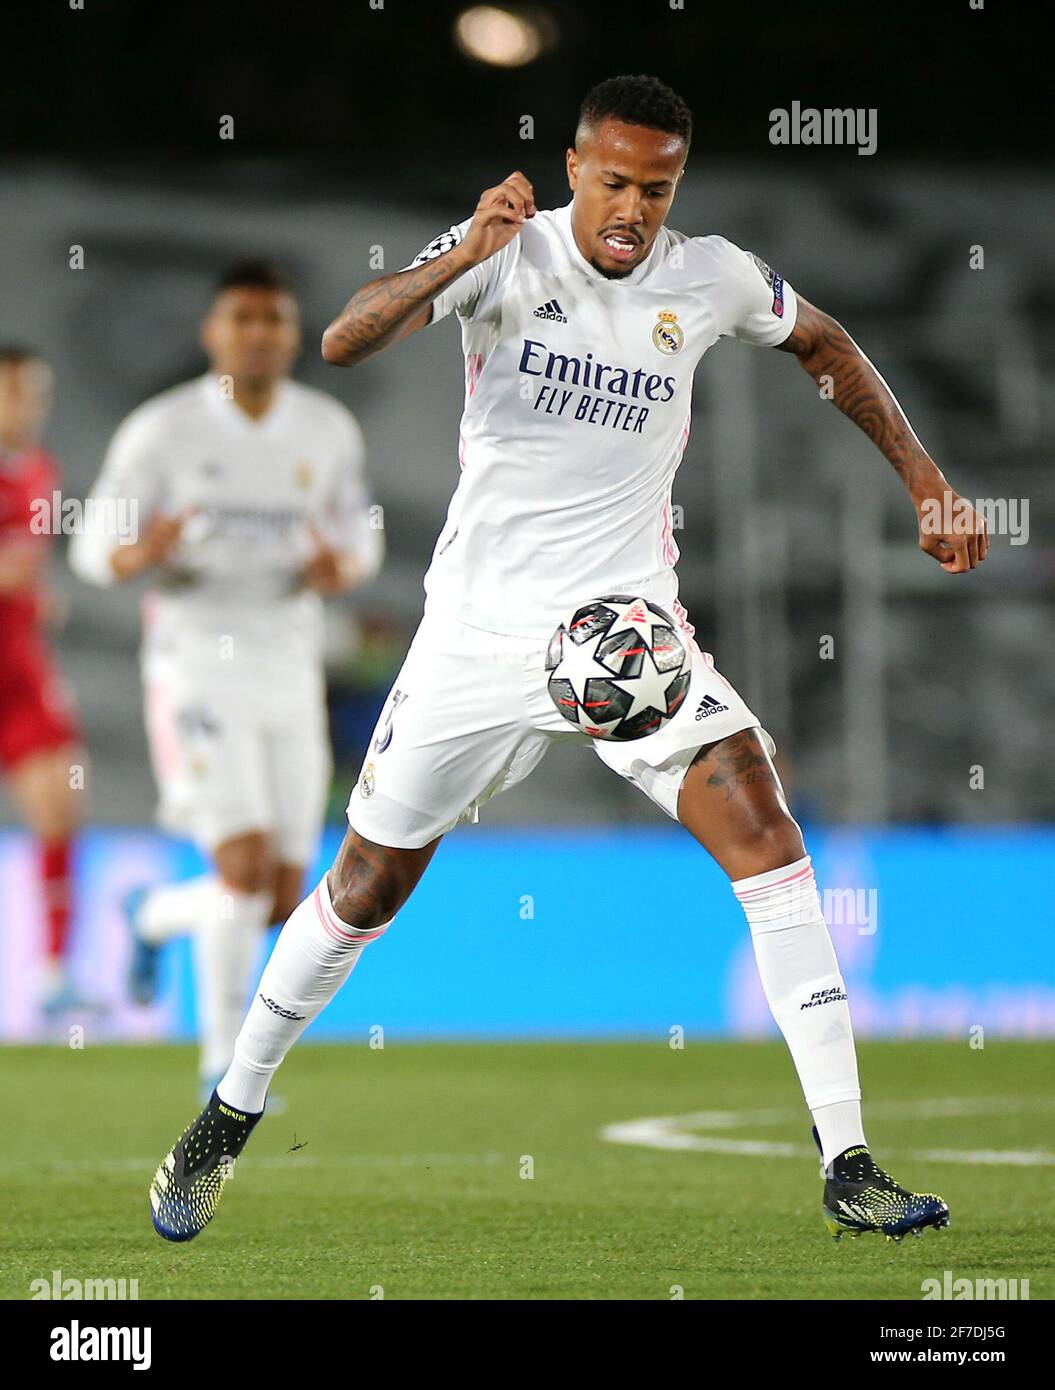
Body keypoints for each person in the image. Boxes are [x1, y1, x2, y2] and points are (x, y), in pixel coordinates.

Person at [148, 77, 986, 1244]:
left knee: (763, 825)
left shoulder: (710, 278)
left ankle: (847, 1160)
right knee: (366, 886)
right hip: (477, 636)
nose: (633, 208)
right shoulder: (505, 247)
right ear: (573, 166)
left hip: (626, 640)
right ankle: (226, 1116)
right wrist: (459, 257)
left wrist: (925, 480)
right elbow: (344, 338)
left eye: (658, 187)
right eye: (615, 182)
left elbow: (822, 342)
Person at [71, 261, 382, 1097]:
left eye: (275, 320)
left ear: (291, 336)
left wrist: (340, 564)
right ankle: (220, 1067)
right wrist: (144, 550)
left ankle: (150, 917)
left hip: (288, 665)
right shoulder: (161, 431)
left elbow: (360, 542)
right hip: (197, 662)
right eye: (242, 318)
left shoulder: (325, 430)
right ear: (212, 332)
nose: (259, 334)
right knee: (242, 872)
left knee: (281, 897)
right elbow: (93, 550)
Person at [0, 347, 86, 1015]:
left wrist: (38, 595)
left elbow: (28, 564)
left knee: (60, 807)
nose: (29, 405)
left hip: (21, 668)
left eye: (36, 392)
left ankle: (54, 976)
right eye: (15, 391)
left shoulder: (40, 471)